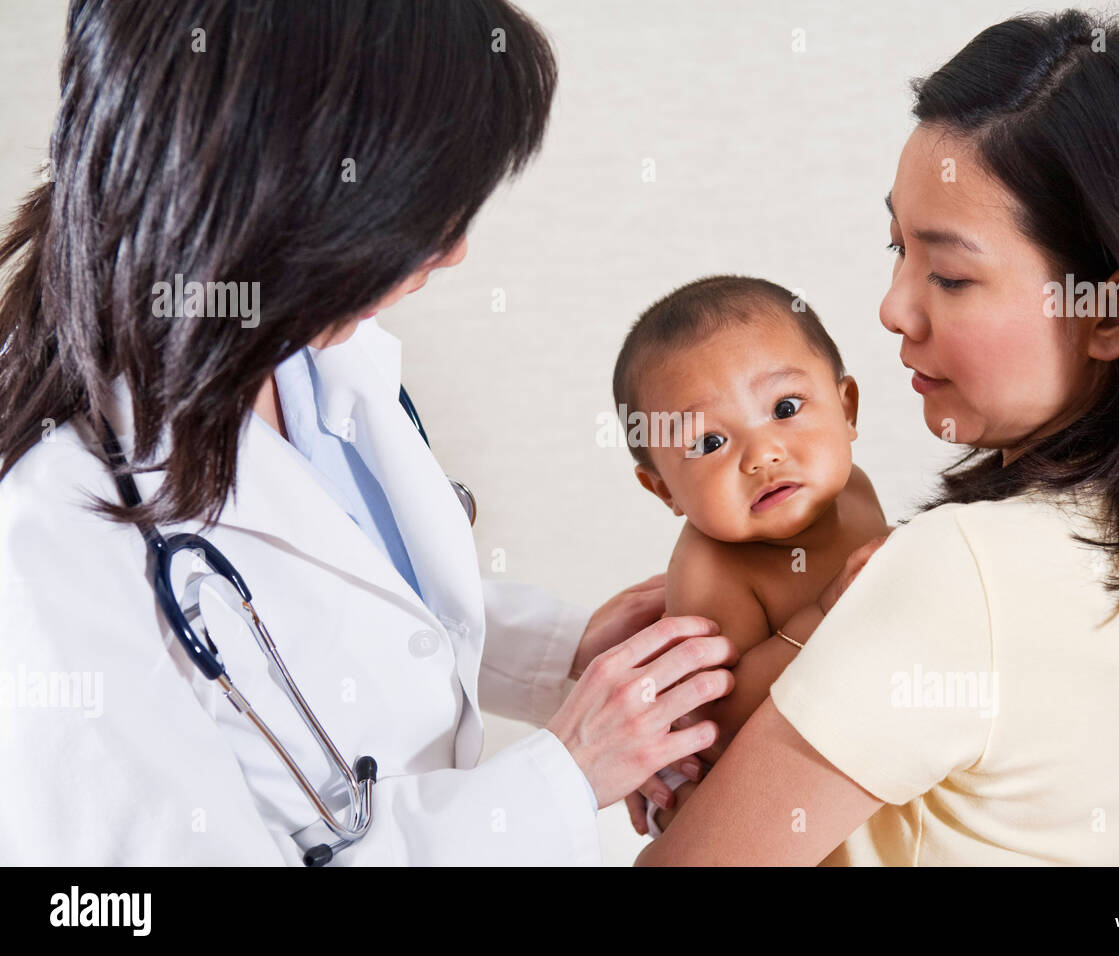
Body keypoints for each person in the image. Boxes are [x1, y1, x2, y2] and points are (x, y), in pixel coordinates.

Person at [0, 0, 736, 865]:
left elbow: (353, 596)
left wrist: (563, 652)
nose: (455, 250)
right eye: (423, 210)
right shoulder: (49, 547)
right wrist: (564, 777)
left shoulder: (310, 362)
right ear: (282, 203)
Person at [637, 9, 1119, 866]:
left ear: (1112, 312)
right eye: (896, 247)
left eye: (950, 274)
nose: (892, 309)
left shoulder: (963, 571)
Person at [609, 276, 889, 837]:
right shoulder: (711, 571)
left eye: (785, 407)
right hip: (746, 795)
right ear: (665, 490)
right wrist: (823, 613)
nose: (762, 455)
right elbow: (718, 716)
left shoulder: (851, 486)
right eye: (709, 443)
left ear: (846, 407)